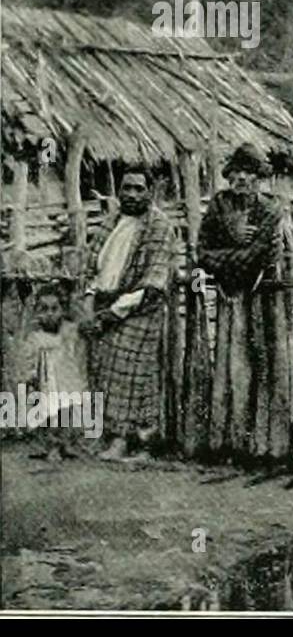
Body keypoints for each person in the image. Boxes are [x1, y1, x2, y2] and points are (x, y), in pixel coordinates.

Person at [84, 166, 179, 461]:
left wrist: (114, 312)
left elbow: (154, 280)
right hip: (106, 305)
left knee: (136, 375)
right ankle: (119, 438)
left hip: (139, 310)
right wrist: (90, 302)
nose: (132, 194)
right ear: (119, 191)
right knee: (109, 375)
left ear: (151, 192)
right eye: (127, 188)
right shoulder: (110, 223)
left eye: (140, 188)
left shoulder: (159, 227)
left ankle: (140, 442)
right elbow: (91, 266)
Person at [197, 143, 288, 291]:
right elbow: (202, 254)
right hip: (224, 289)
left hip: (263, 289)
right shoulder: (219, 204)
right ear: (229, 175)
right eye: (237, 171)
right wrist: (231, 233)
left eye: (248, 172)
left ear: (258, 177)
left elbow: (257, 257)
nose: (241, 177)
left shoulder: (269, 209)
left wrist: (223, 251)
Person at [15, 283, 90, 454]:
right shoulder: (34, 336)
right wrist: (30, 375)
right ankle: (51, 446)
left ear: (62, 310)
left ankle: (66, 443)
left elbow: (78, 352)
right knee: (48, 413)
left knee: (66, 411)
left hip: (66, 379)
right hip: (46, 381)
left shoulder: (69, 332)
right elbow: (28, 358)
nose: (49, 314)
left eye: (54, 309)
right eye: (44, 309)